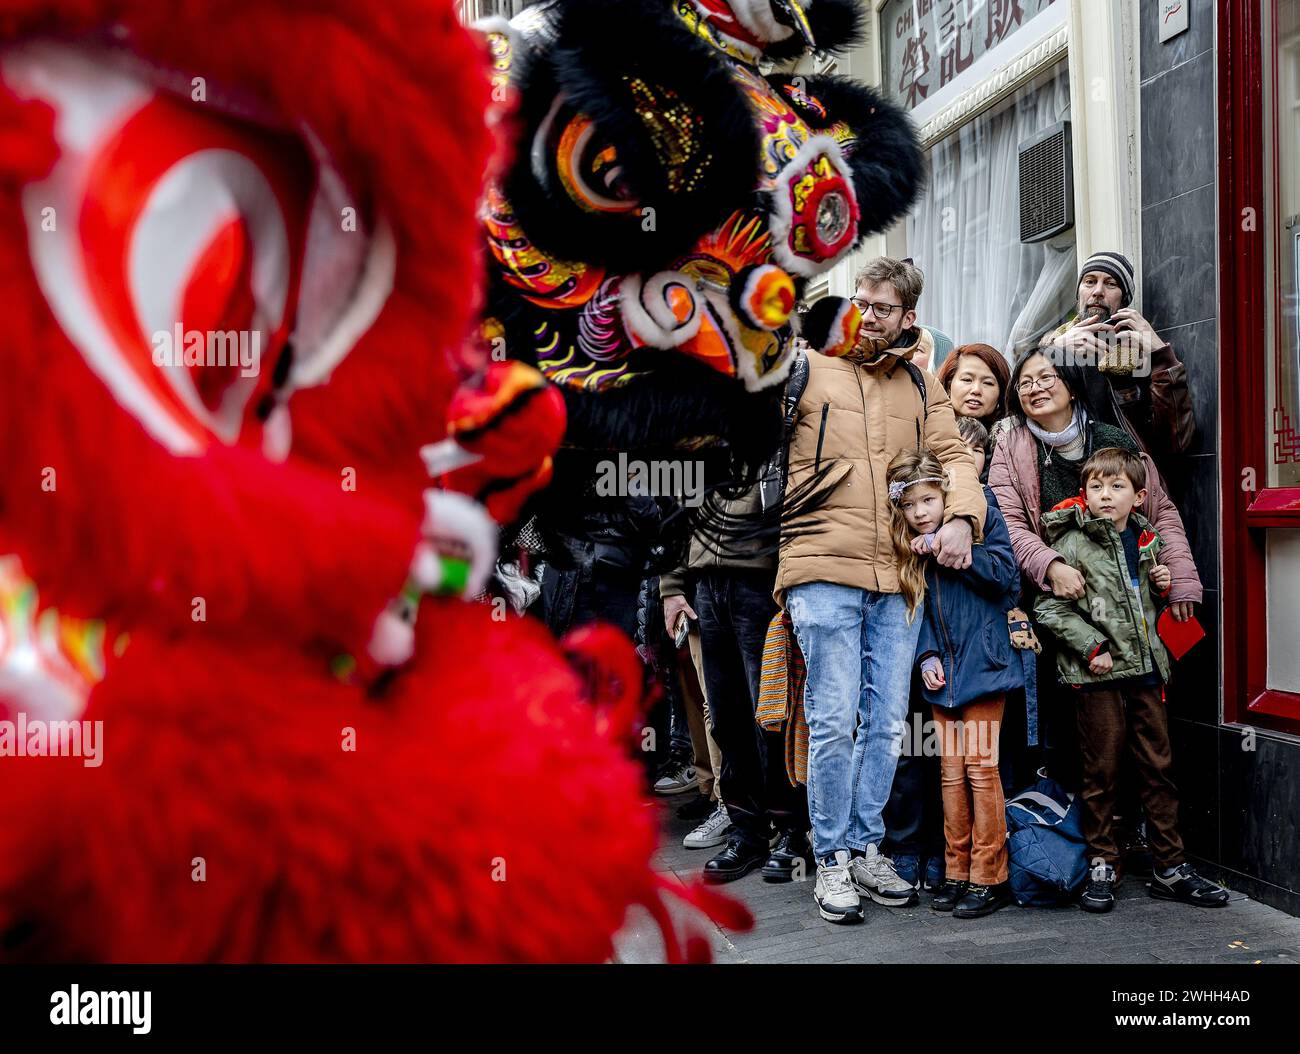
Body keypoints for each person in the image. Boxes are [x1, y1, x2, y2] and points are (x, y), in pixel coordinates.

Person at [779, 258, 986, 924]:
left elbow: (953, 456)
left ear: (909, 317)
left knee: (887, 721)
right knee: (835, 717)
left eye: (882, 308)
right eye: (860, 302)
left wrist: (960, 517)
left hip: (897, 573)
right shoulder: (806, 364)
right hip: (821, 565)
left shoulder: (923, 385)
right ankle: (832, 857)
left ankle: (868, 845)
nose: (868, 316)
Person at [987, 348, 1201, 785]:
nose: (1035, 388)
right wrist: (1049, 566)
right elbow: (1007, 523)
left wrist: (1179, 580)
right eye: (1025, 382)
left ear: (1070, 384)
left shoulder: (1114, 438)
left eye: (1046, 377)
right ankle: (1087, 838)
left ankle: (1142, 833)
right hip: (1058, 609)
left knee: (1147, 730)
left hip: (1131, 606)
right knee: (1078, 730)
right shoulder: (1011, 447)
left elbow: (1161, 512)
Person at [1033, 448, 1229, 913]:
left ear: (1138, 496)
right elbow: (1048, 608)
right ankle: (1102, 860)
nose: (1105, 495)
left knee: (1157, 769)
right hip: (1097, 675)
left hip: (1146, 673)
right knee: (1100, 772)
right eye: (1096, 486)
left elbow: (1144, 602)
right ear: (1085, 492)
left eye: (1117, 487)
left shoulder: (1147, 538)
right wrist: (1091, 646)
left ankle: (1170, 866)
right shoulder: (1073, 543)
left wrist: (1162, 582)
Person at [888, 449, 1025, 918]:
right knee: (949, 774)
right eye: (908, 505)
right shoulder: (913, 547)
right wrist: (924, 654)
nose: (919, 512)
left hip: (985, 667)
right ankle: (956, 871)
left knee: (981, 771)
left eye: (927, 500)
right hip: (941, 676)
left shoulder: (982, 512)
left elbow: (1009, 578)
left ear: (946, 494)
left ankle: (991, 876)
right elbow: (916, 609)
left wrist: (959, 552)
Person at [662, 483, 812, 884]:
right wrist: (672, 587)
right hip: (707, 584)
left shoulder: (782, 422)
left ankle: (792, 830)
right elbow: (681, 506)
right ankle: (748, 831)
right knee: (728, 717)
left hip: (761, 580)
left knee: (773, 715)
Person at [1041, 251, 1195, 463]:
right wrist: (1053, 351)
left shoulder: (1140, 351)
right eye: (1089, 281)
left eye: (1111, 284)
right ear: (1078, 294)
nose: (1098, 291)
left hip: (1126, 477)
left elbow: (1176, 441)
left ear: (1124, 300)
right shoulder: (1053, 345)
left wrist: (1161, 356)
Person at [936, 342, 1011, 434]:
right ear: (948, 386)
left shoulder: (1011, 439)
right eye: (967, 380)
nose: (976, 390)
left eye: (988, 383)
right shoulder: (926, 429)